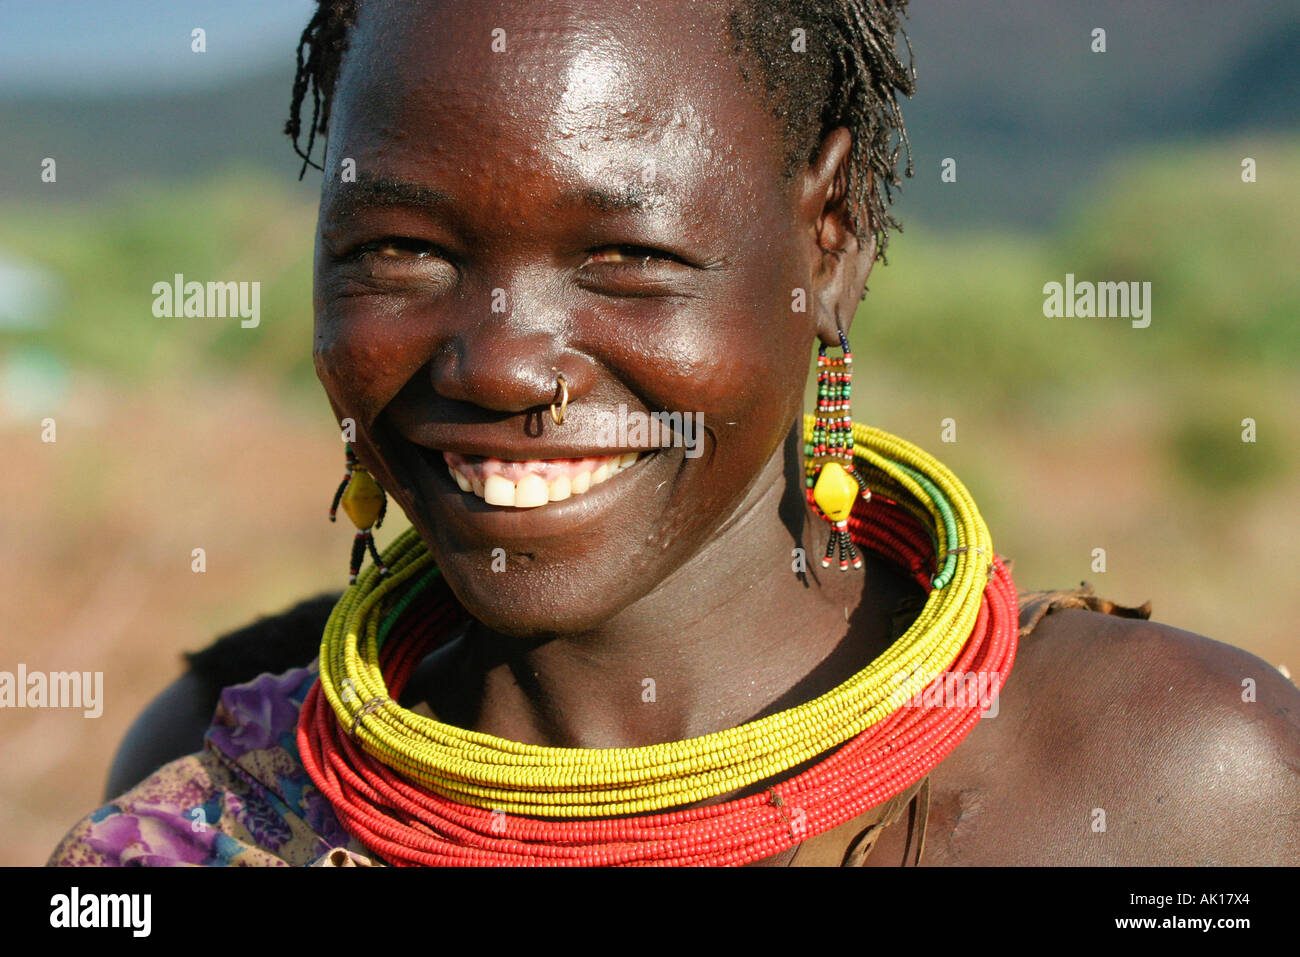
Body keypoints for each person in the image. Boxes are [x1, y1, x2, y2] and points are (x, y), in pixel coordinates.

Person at [50, 0, 1300, 867]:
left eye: (626, 258)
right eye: (400, 251)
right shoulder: (221, 794)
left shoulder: (1176, 776)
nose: (496, 365)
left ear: (833, 246)